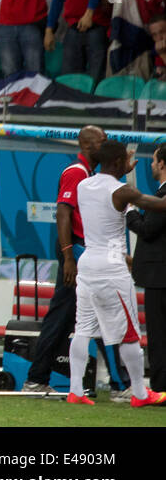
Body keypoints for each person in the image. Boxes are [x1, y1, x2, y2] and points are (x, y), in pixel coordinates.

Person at [67, 139, 166, 407]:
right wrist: (125, 177)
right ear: (116, 163)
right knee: (130, 333)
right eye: (125, 160)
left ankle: (75, 390)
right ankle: (140, 394)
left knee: (82, 329)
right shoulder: (122, 191)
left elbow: (110, 188)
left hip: (88, 263)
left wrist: (123, 168)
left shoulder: (83, 184)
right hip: (112, 267)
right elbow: (159, 206)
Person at [24, 124, 108, 393]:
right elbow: (63, 214)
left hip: (81, 252)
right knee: (63, 315)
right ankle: (36, 379)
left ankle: (38, 378)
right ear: (86, 145)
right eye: (101, 141)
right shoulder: (76, 173)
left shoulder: (89, 173)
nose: (105, 145)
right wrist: (68, 256)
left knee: (69, 316)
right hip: (76, 252)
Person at [127, 143, 166, 392]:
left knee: (160, 337)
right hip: (158, 275)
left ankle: (161, 387)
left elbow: (147, 229)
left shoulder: (163, 196)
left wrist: (129, 207)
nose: (151, 165)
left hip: (159, 278)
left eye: (153, 161)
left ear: (162, 163)